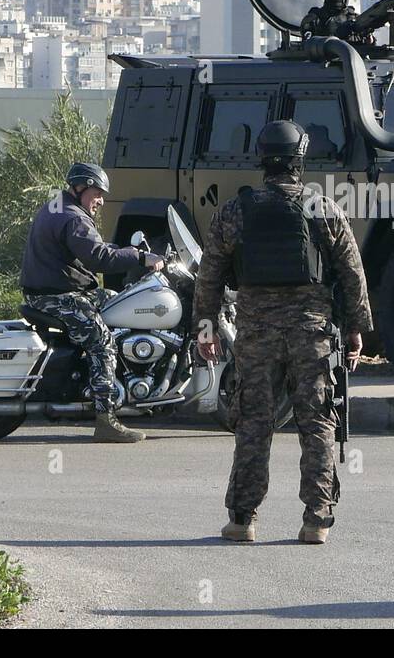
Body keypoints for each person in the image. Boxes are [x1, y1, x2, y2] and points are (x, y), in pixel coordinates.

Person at [193, 120, 370, 545]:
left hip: (255, 335)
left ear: (262, 159)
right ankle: (317, 520)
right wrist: (356, 330)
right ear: (300, 159)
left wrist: (206, 328)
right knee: (317, 423)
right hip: (312, 334)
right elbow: (351, 271)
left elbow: (209, 275)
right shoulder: (322, 208)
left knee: (253, 424)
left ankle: (242, 519)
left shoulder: (233, 211)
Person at [20, 162, 165, 442]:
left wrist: (132, 252)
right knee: (102, 341)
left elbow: (93, 248)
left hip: (57, 289)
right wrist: (139, 258)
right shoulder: (73, 217)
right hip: (55, 296)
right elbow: (97, 258)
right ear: (80, 188)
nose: (100, 200)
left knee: (118, 301)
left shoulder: (61, 206)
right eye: (97, 193)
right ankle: (106, 420)